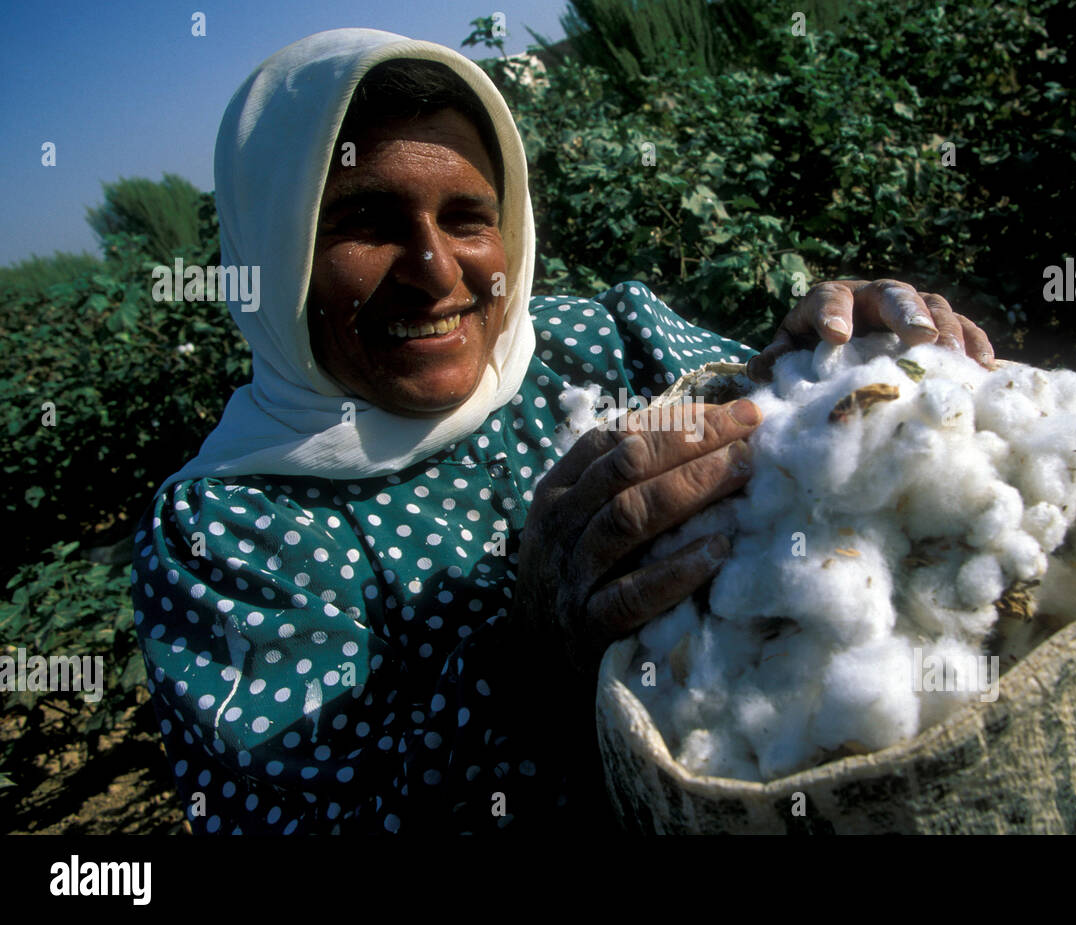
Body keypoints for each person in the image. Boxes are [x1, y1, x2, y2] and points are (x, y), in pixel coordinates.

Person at [131, 28, 995, 834]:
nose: (435, 273)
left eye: (467, 217)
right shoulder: (227, 536)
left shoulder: (602, 338)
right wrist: (532, 658)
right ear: (273, 251)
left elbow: (773, 414)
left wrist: (839, 369)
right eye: (365, 224)